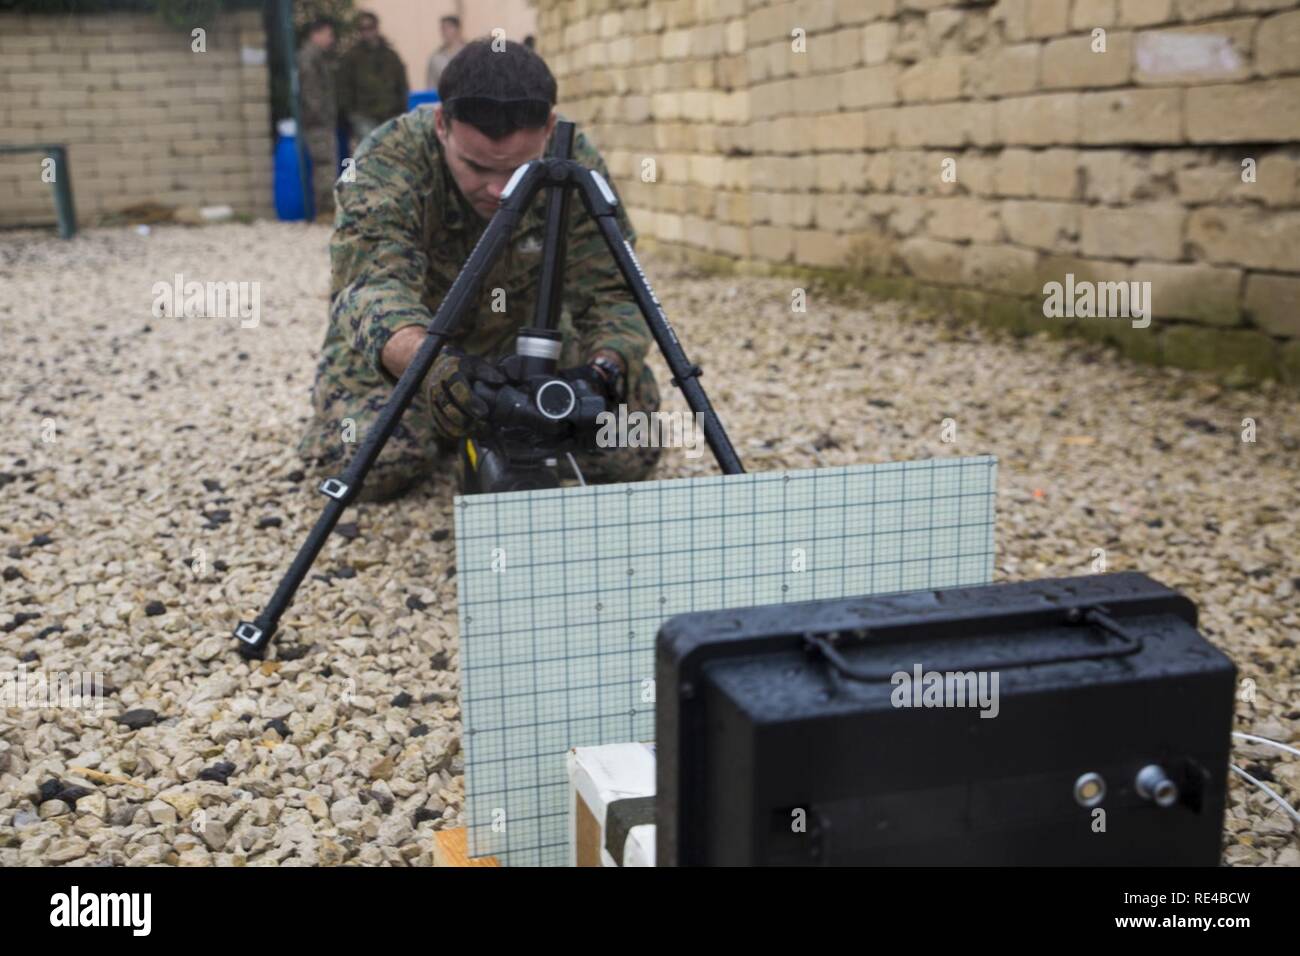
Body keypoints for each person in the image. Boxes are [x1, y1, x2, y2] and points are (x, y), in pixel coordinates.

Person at [298, 39, 661, 501]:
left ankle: (487, 429)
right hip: (409, 354)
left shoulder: (573, 162)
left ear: (549, 130)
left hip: (526, 347)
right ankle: (467, 428)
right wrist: (431, 366)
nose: (497, 190)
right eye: (475, 166)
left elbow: (614, 289)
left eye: (519, 170)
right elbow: (370, 287)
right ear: (441, 124)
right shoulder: (389, 159)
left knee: (628, 447)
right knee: (375, 465)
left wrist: (602, 370)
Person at [337, 10, 409, 152]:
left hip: (390, 114)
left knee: (392, 153)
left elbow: (402, 85)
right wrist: (350, 115)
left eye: (370, 28)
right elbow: (344, 88)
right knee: (369, 152)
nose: (367, 32)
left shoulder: (390, 56)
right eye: (362, 29)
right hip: (363, 115)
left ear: (376, 28)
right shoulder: (352, 58)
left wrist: (401, 111)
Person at [297, 17, 338, 217]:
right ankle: (326, 210)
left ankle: (327, 208)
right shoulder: (309, 58)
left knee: (327, 164)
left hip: (320, 120)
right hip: (317, 123)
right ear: (316, 34)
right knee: (325, 165)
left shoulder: (316, 56)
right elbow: (310, 92)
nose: (331, 40)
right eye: (328, 35)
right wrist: (321, 116)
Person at [424, 15, 465, 92]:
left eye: (449, 28)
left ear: (458, 29)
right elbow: (431, 86)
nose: (445, 32)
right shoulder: (436, 58)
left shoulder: (470, 54)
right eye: (443, 28)